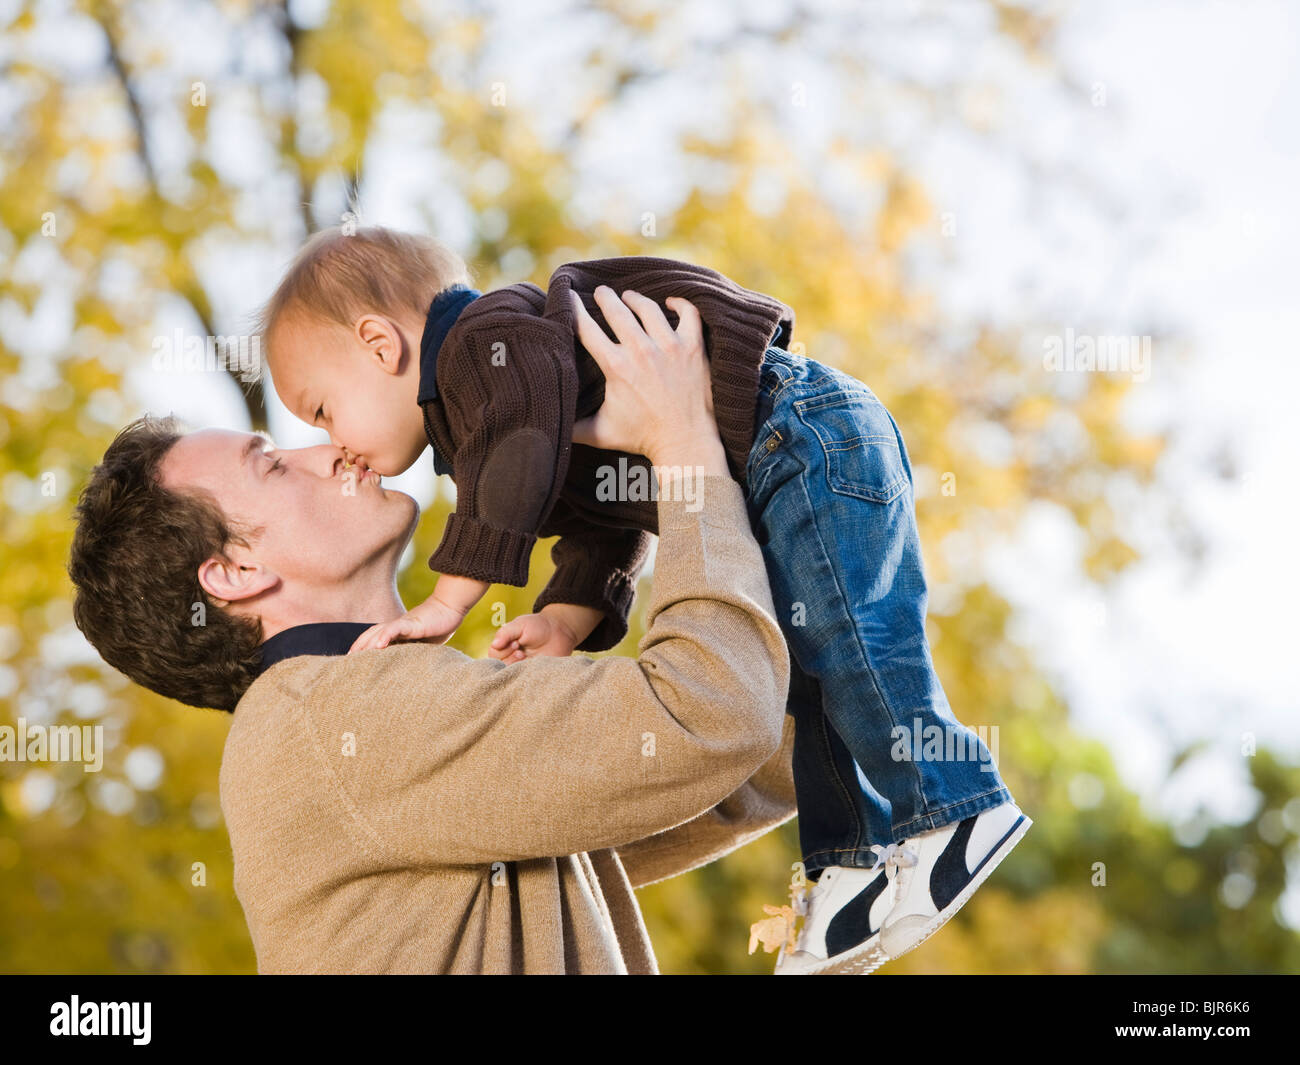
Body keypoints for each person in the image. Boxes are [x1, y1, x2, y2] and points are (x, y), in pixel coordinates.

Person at [255, 226, 1032, 974]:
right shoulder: (480, 432)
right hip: (772, 466)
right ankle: (851, 868)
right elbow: (610, 517)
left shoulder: (483, 348)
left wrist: (451, 598)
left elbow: (520, 448)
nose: (331, 441)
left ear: (380, 343)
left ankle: (957, 803)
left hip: (798, 429)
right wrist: (568, 613)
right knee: (813, 674)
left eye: (322, 410)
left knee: (856, 637)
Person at [67, 291, 797, 974]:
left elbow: (712, 779)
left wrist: (860, 663)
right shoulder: (333, 716)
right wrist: (684, 446)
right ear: (233, 571)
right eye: (274, 464)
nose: (330, 451)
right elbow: (714, 713)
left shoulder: (340, 724)